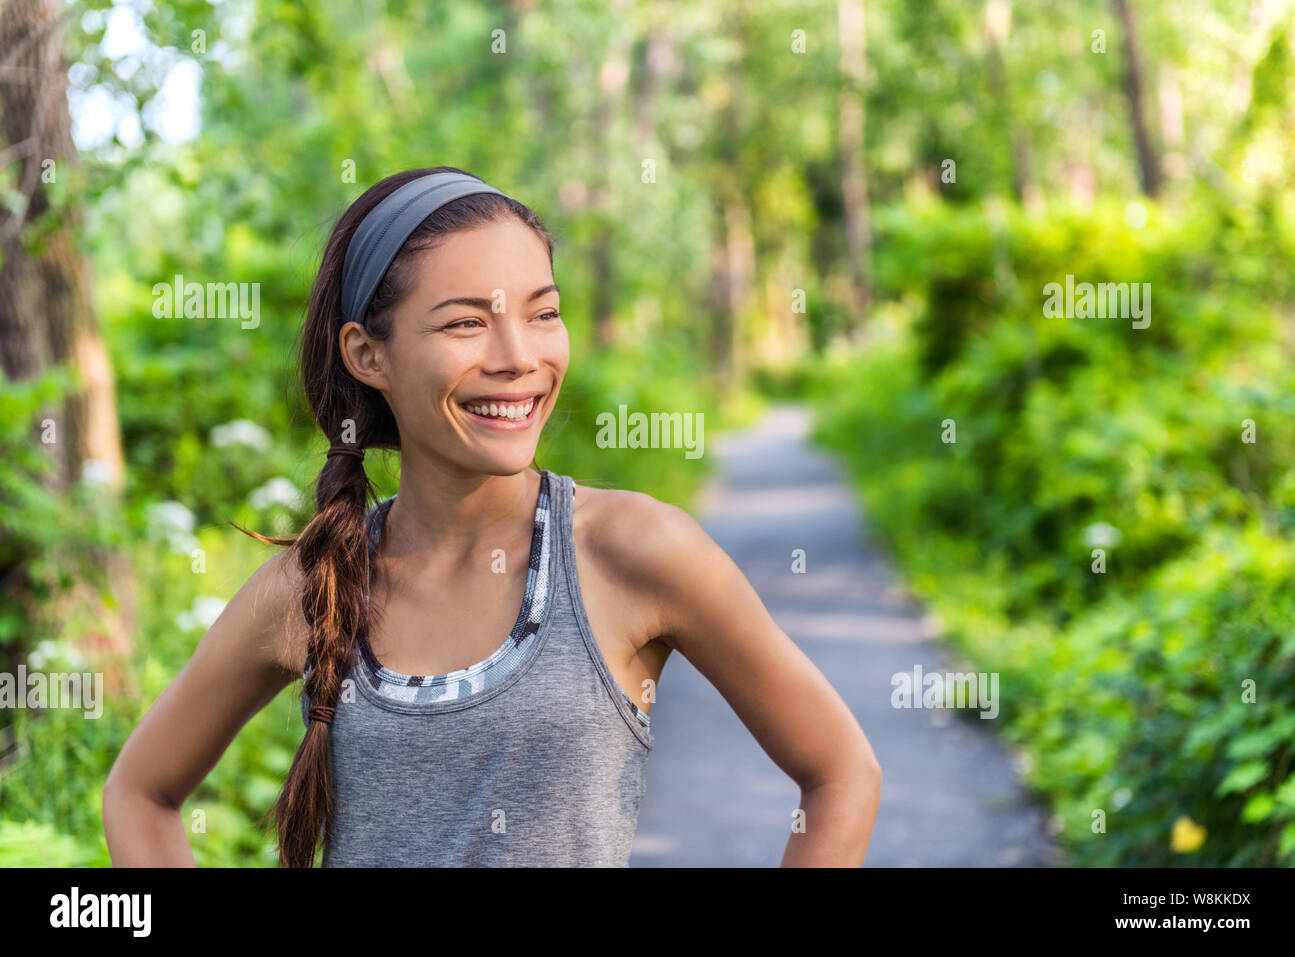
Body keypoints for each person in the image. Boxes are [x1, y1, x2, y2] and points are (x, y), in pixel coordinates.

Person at [102, 166, 882, 867]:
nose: (519, 355)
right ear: (367, 354)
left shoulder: (633, 551)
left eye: (543, 314)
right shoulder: (313, 587)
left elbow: (841, 772)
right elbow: (140, 793)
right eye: (465, 323)